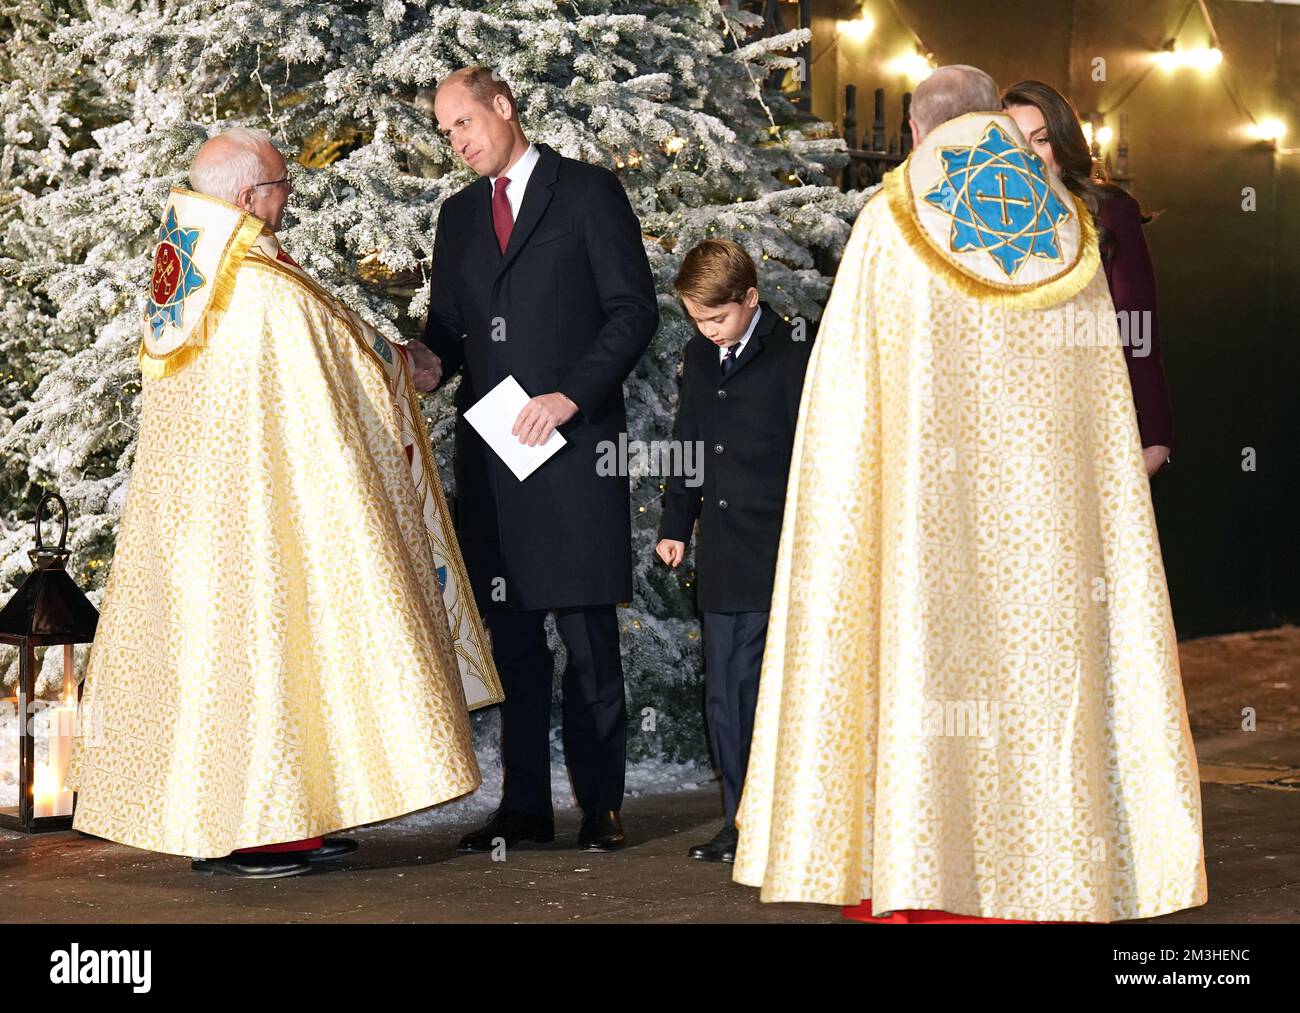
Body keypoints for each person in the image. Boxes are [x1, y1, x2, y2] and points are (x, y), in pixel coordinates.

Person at [731, 66, 1207, 922]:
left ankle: (923, 874)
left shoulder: (888, 223)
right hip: (1048, 533)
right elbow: (1106, 393)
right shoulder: (1064, 230)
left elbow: (844, 401)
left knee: (931, 688)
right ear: (988, 123)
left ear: (915, 134)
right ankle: (1055, 877)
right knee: (1040, 693)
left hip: (925, 528)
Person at [65, 127, 496, 879]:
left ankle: (292, 815)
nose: (286, 198)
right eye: (279, 187)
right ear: (245, 197)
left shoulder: (196, 271)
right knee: (261, 656)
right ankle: (255, 827)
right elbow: (337, 357)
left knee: (270, 655)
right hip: (255, 514)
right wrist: (402, 363)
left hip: (211, 518)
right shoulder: (253, 286)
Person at [412, 67, 659, 853]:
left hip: (574, 450)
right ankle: (523, 807)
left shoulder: (587, 193)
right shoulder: (457, 217)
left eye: (464, 123)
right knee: (512, 638)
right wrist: (426, 361)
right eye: (446, 131)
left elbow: (632, 312)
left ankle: (601, 806)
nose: (457, 141)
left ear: (504, 107)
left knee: (587, 636)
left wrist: (569, 397)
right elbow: (449, 326)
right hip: (493, 457)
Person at [655, 240, 812, 864]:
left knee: (763, 686)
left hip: (780, 546)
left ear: (750, 297)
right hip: (721, 551)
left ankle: (782, 819)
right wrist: (676, 524)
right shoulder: (699, 352)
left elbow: (815, 444)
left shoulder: (797, 348)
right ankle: (737, 820)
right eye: (696, 318)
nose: (707, 331)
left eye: (717, 318)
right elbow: (688, 439)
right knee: (723, 693)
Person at [1003, 80, 1175, 475]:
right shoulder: (983, 224)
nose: (1029, 155)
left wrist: (1155, 439)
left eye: (1041, 140)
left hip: (1088, 426)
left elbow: (1137, 327)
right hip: (1006, 432)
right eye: (1015, 142)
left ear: (1062, 145)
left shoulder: (1109, 212)